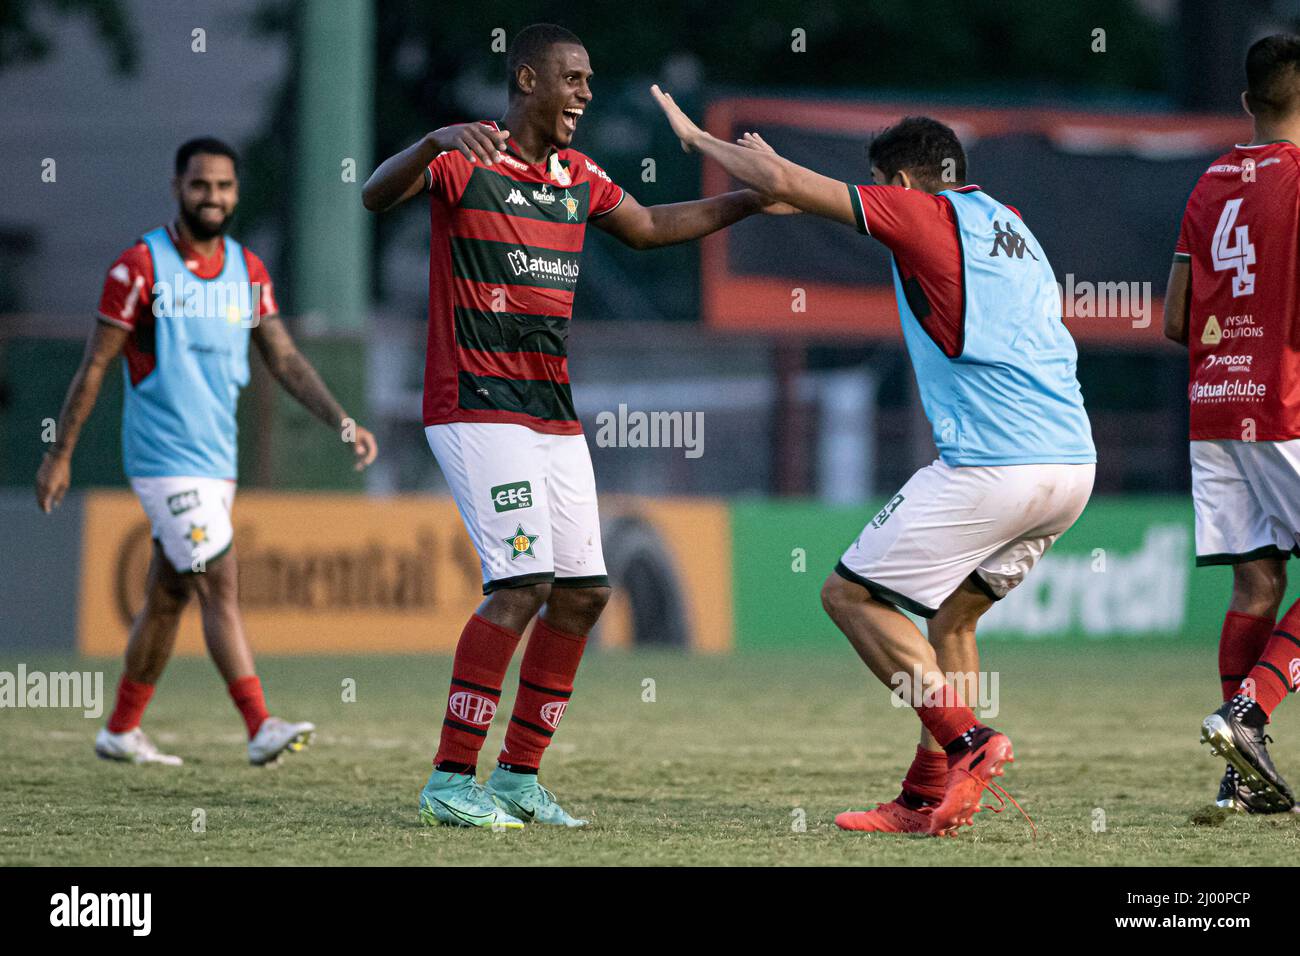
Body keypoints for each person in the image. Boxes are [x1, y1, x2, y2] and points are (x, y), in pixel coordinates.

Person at [362, 23, 791, 829]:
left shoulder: (577, 175)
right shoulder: (466, 157)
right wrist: (426, 145)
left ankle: (520, 777)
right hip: (476, 406)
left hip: (551, 417)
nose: (586, 95)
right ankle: (452, 777)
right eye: (573, 79)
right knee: (521, 585)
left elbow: (652, 227)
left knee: (586, 593)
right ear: (526, 81)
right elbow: (374, 194)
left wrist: (746, 200)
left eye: (591, 81)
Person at [652, 88, 1096, 837]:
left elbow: (794, 182)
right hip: (1071, 466)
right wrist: (791, 195)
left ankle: (969, 741)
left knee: (849, 596)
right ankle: (926, 796)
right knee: (953, 620)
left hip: (996, 466)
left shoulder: (922, 213)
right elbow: (825, 206)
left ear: (903, 184)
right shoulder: (1007, 224)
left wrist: (701, 140)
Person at [36, 137, 378, 767]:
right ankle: (259, 724)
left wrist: (342, 420)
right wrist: (59, 452)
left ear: (236, 193)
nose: (212, 197)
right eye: (199, 185)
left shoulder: (247, 270)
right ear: (177, 187)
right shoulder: (138, 267)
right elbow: (94, 366)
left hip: (218, 462)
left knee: (168, 595)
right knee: (219, 580)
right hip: (163, 460)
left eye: (223, 186)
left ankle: (120, 728)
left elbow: (284, 359)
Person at [1164, 34, 1300, 814]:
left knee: (1258, 579)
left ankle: (1240, 780)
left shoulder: (1209, 180)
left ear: (1249, 103)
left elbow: (1179, 319)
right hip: (1286, 400)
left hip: (1216, 401)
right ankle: (1246, 716)